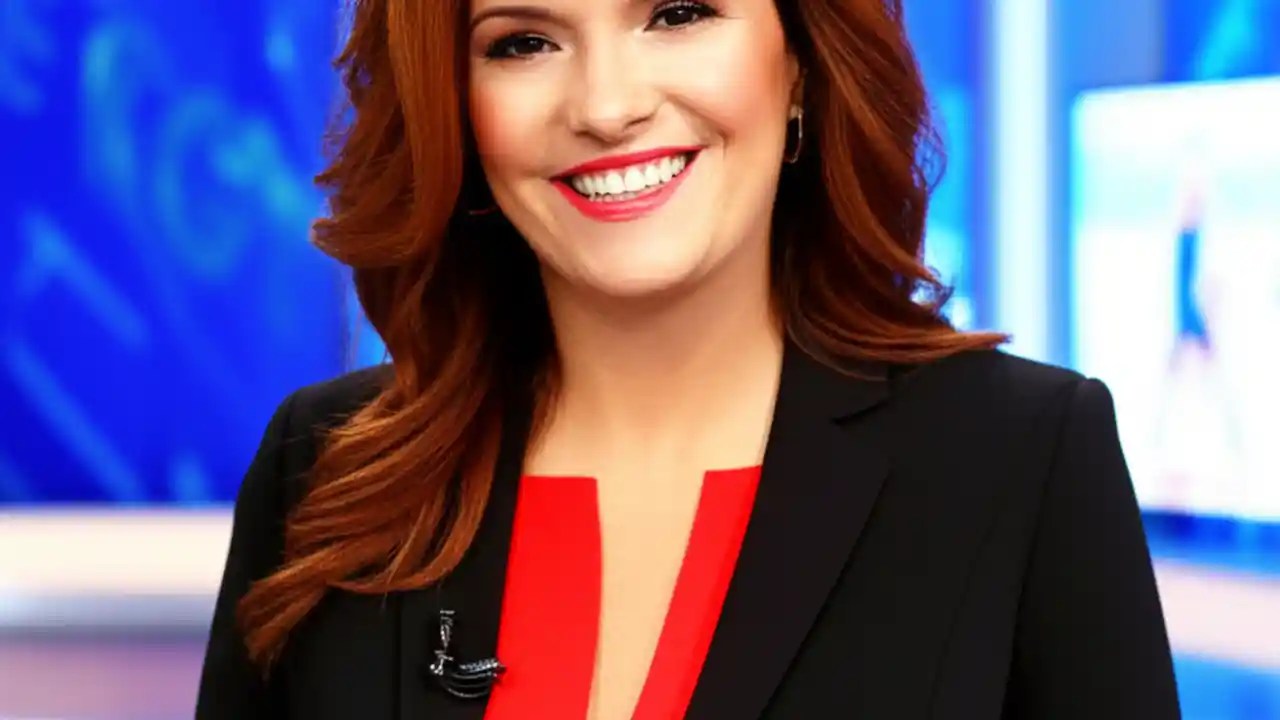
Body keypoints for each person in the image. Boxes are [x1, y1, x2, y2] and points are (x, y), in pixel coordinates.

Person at [196, 0, 1181, 717]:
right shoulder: (323, 463)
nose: (607, 105)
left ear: (798, 58)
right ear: (455, 106)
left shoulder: (1016, 455)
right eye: (524, 42)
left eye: (675, 13)